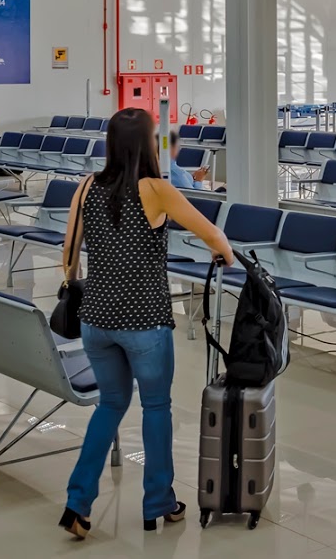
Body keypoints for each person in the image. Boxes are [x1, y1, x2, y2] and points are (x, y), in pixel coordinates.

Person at [56, 108, 232, 540]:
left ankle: (77, 504)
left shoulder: (86, 187)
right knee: (156, 408)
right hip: (145, 323)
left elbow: (69, 253)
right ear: (149, 144)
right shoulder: (157, 189)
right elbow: (212, 234)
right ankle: (158, 503)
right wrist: (224, 255)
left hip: (96, 320)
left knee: (109, 405)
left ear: (112, 143)